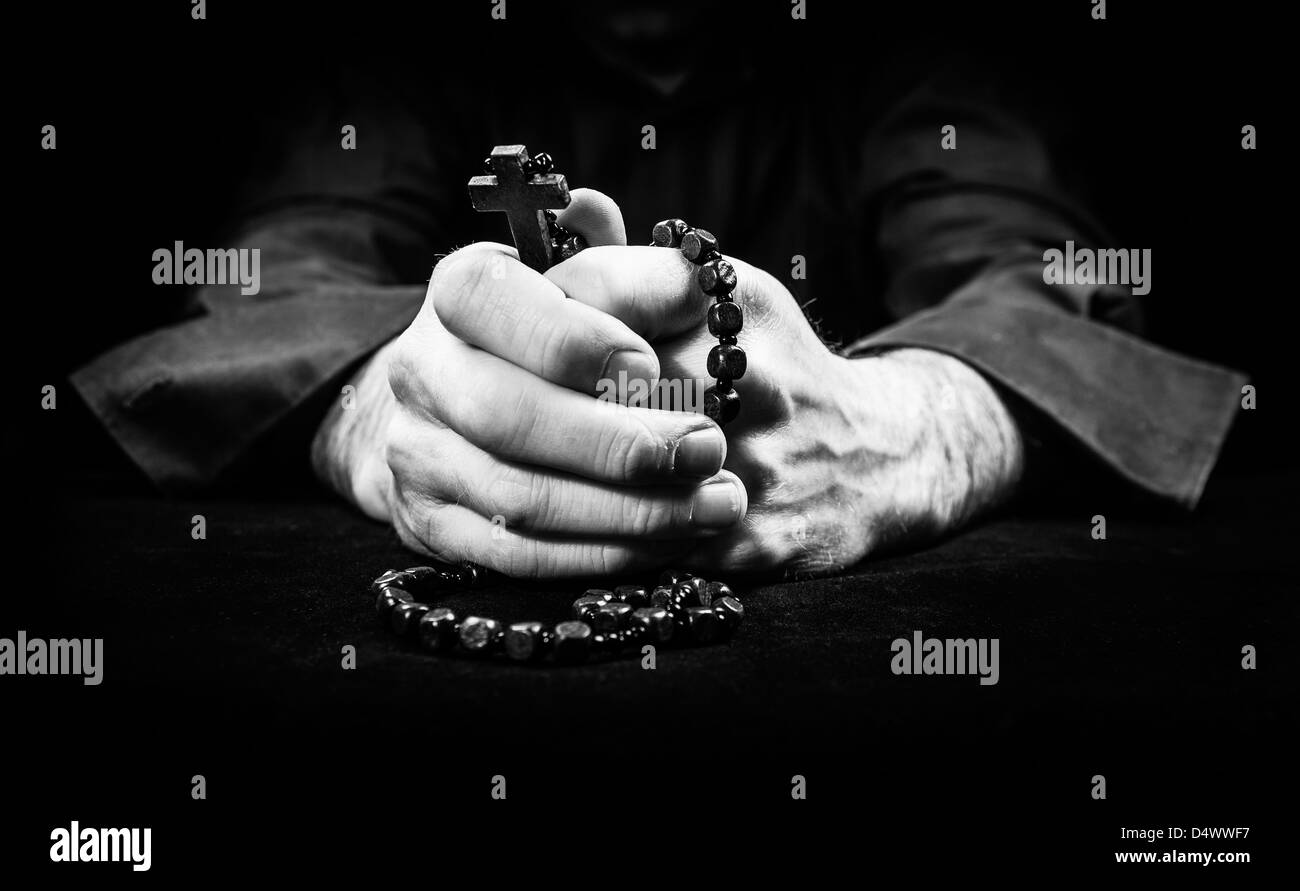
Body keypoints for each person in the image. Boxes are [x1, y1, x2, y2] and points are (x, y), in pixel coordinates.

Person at [70, 8, 1245, 578]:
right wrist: (391, 403)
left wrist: (918, 427)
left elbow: (1031, 276)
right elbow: (276, 279)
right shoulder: (401, 50)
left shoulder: (915, 46)